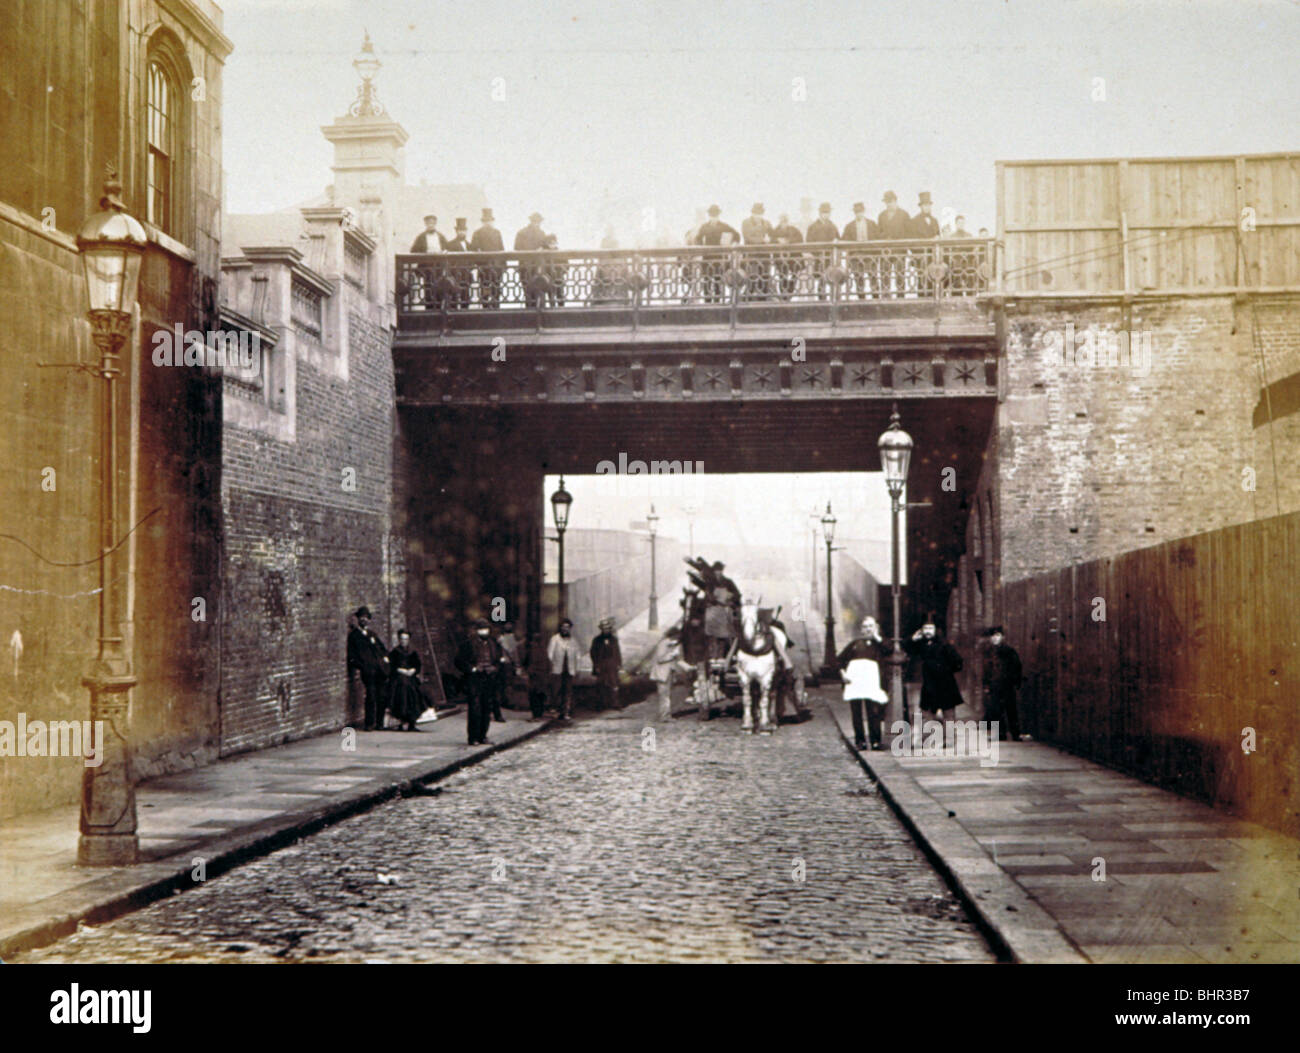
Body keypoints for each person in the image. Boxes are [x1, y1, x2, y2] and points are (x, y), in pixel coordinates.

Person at [904, 616, 965, 735]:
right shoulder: (921, 644)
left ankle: (949, 741)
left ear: (936, 630)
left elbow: (958, 663)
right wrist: (913, 639)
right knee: (926, 714)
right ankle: (926, 739)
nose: (927, 631)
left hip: (946, 684)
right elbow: (905, 648)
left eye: (930, 628)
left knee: (948, 715)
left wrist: (945, 671)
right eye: (925, 628)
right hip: (929, 685)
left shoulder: (945, 644)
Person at [838, 616, 891, 749]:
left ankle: (875, 740)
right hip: (855, 683)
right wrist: (843, 675)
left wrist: (877, 637)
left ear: (876, 628)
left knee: (873, 711)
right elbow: (839, 660)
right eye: (865, 627)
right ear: (861, 630)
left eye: (871, 626)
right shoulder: (855, 644)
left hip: (872, 683)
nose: (868, 629)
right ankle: (860, 740)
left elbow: (889, 650)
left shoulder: (880, 644)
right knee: (856, 713)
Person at [454, 618, 505, 745]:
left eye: (486, 629)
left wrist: (495, 668)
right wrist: (472, 668)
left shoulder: (493, 644)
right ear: (477, 631)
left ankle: (483, 735)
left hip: (489, 679)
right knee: (475, 708)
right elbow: (459, 661)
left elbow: (499, 660)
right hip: (475, 680)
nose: (484, 632)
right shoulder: (468, 644)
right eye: (481, 629)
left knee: (487, 707)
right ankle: (473, 737)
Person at [347, 605, 390, 731]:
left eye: (366, 618)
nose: (364, 620)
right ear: (358, 619)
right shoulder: (354, 636)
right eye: (361, 617)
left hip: (379, 670)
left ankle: (380, 723)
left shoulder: (372, 634)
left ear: (369, 620)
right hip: (368, 671)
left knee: (381, 696)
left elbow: (383, 649)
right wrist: (362, 666)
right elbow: (351, 655)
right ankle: (369, 723)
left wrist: (385, 659)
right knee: (370, 695)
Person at [982, 625, 1024, 741]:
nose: (995, 638)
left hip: (1007, 684)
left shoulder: (1009, 651)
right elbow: (985, 669)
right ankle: (1000, 734)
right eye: (993, 636)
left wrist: (1016, 682)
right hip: (994, 685)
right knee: (996, 710)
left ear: (1002, 637)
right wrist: (986, 684)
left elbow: (1016, 667)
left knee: (1011, 709)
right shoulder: (988, 652)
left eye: (997, 636)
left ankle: (1015, 733)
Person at [694, 205, 740, 303]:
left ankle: (717, 301)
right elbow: (697, 238)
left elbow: (736, 235)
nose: (713, 217)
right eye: (711, 215)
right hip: (707, 257)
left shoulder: (724, 226)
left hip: (719, 257)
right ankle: (707, 300)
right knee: (706, 279)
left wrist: (732, 243)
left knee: (718, 280)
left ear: (718, 216)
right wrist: (701, 247)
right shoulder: (704, 227)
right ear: (709, 216)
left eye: (715, 215)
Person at [387, 629, 425, 731]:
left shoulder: (413, 652)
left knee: (416, 691)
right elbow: (391, 666)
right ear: (399, 640)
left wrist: (413, 670)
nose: (404, 641)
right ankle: (402, 721)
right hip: (399, 677)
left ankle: (412, 722)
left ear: (408, 640)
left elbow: (417, 664)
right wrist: (400, 670)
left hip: (410, 676)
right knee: (403, 689)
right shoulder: (395, 652)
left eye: (406, 639)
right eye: (402, 639)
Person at [650, 629, 692, 721]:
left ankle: (666, 715)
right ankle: (664, 716)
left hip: (669, 673)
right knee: (664, 695)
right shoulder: (663, 644)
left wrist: (688, 667)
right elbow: (660, 659)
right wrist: (671, 655)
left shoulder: (677, 645)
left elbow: (679, 659)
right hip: (662, 673)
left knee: (667, 695)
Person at [876, 191, 912, 298]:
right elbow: (878, 232)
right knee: (885, 275)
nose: (888, 204)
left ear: (896, 201)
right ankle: (886, 297)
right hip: (885, 251)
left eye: (890, 202)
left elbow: (908, 232)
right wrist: (884, 237)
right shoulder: (881, 216)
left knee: (900, 275)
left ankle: (900, 297)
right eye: (886, 202)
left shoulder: (904, 215)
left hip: (899, 251)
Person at [840, 201, 879, 299]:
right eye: (857, 212)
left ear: (864, 211)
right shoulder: (849, 226)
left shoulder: (872, 224)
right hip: (856, 257)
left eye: (860, 211)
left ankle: (876, 298)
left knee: (873, 277)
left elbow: (878, 238)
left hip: (870, 255)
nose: (859, 214)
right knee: (858, 278)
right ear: (854, 213)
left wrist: (876, 254)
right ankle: (861, 299)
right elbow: (844, 240)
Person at [547, 618, 583, 721]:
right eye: (563, 627)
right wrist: (552, 665)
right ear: (560, 628)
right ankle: (555, 710)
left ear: (570, 629)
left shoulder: (573, 641)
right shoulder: (555, 639)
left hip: (569, 670)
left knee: (567, 692)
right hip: (557, 669)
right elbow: (550, 653)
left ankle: (565, 712)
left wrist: (577, 669)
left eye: (567, 627)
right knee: (556, 690)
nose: (565, 629)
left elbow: (578, 656)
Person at [409, 215, 446, 308]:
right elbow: (413, 250)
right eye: (429, 223)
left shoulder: (440, 236)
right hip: (427, 266)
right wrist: (424, 252)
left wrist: (443, 251)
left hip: (439, 266)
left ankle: (439, 307)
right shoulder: (421, 237)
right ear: (425, 224)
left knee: (439, 286)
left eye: (433, 223)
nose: (431, 225)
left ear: (435, 224)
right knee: (428, 287)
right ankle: (429, 307)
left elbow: (447, 247)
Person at [470, 208, 504, 308]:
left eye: (489, 220)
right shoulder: (477, 233)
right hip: (484, 267)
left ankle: (496, 308)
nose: (488, 223)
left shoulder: (497, 232)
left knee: (496, 289)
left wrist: (503, 265)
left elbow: (501, 248)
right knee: (485, 290)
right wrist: (479, 263)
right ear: (483, 222)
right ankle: (485, 309)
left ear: (492, 221)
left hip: (496, 266)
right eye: (486, 221)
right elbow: (474, 249)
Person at [805, 202, 839, 300]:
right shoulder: (813, 227)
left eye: (828, 212)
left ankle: (832, 298)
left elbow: (838, 238)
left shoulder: (832, 226)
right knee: (820, 277)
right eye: (824, 212)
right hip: (818, 257)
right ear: (820, 213)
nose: (826, 214)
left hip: (830, 257)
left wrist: (835, 241)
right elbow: (809, 242)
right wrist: (817, 253)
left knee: (831, 277)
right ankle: (821, 296)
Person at [515, 212, 549, 307]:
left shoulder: (521, 232)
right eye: (536, 222)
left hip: (527, 267)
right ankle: (537, 313)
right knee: (537, 292)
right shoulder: (540, 233)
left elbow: (516, 248)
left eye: (538, 222)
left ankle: (529, 313)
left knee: (528, 292)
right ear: (532, 221)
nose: (537, 224)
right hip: (535, 268)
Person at [741, 203, 774, 299]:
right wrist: (762, 240)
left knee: (765, 278)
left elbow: (772, 235)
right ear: (752, 213)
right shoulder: (746, 223)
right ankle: (749, 298)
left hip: (765, 255)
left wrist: (771, 240)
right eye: (756, 213)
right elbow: (747, 237)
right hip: (751, 255)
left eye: (760, 213)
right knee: (751, 278)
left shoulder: (767, 223)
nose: (758, 216)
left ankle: (763, 298)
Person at [590, 617, 623, 711]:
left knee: (614, 683)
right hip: (601, 664)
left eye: (608, 628)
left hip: (612, 663)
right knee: (601, 684)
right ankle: (601, 704)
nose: (606, 630)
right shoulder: (596, 640)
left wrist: (618, 663)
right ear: (601, 629)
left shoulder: (613, 639)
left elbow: (617, 651)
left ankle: (615, 703)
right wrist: (596, 665)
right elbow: (593, 653)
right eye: (604, 628)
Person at [912, 192, 942, 295]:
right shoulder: (914, 221)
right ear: (921, 207)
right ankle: (921, 299)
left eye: (928, 205)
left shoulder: (934, 220)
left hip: (933, 256)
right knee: (921, 280)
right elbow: (913, 240)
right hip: (921, 256)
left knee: (933, 278)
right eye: (925, 205)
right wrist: (917, 254)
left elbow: (938, 235)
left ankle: (933, 297)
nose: (927, 208)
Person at [771, 213, 804, 299]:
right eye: (782, 221)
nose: (784, 223)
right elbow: (771, 241)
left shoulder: (793, 230)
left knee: (795, 275)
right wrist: (778, 241)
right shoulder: (775, 231)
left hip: (793, 258)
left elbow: (800, 239)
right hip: (781, 258)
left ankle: (790, 292)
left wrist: (788, 241)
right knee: (782, 276)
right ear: (780, 222)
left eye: (785, 221)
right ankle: (784, 295)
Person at [444, 217, 471, 307]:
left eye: (463, 230)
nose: (462, 232)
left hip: (466, 274)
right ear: (456, 231)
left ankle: (465, 314)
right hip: (454, 274)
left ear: (466, 231)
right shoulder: (450, 244)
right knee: (454, 297)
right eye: (460, 230)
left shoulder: (469, 244)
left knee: (466, 297)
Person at [524, 632, 551, 721]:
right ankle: (539, 714)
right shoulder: (543, 650)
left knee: (534, 696)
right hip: (541, 676)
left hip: (535, 677)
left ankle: (536, 715)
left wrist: (528, 671)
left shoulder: (532, 650)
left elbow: (527, 662)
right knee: (540, 695)